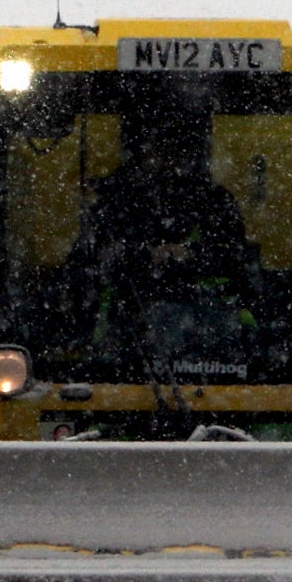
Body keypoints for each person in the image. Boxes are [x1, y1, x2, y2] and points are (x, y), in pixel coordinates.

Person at [64, 103, 258, 377]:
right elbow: (89, 264)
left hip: (213, 346)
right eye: (159, 150)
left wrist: (190, 255)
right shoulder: (114, 204)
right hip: (126, 347)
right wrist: (142, 256)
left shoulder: (215, 203)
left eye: (177, 152)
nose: (168, 161)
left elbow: (234, 259)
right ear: (142, 153)